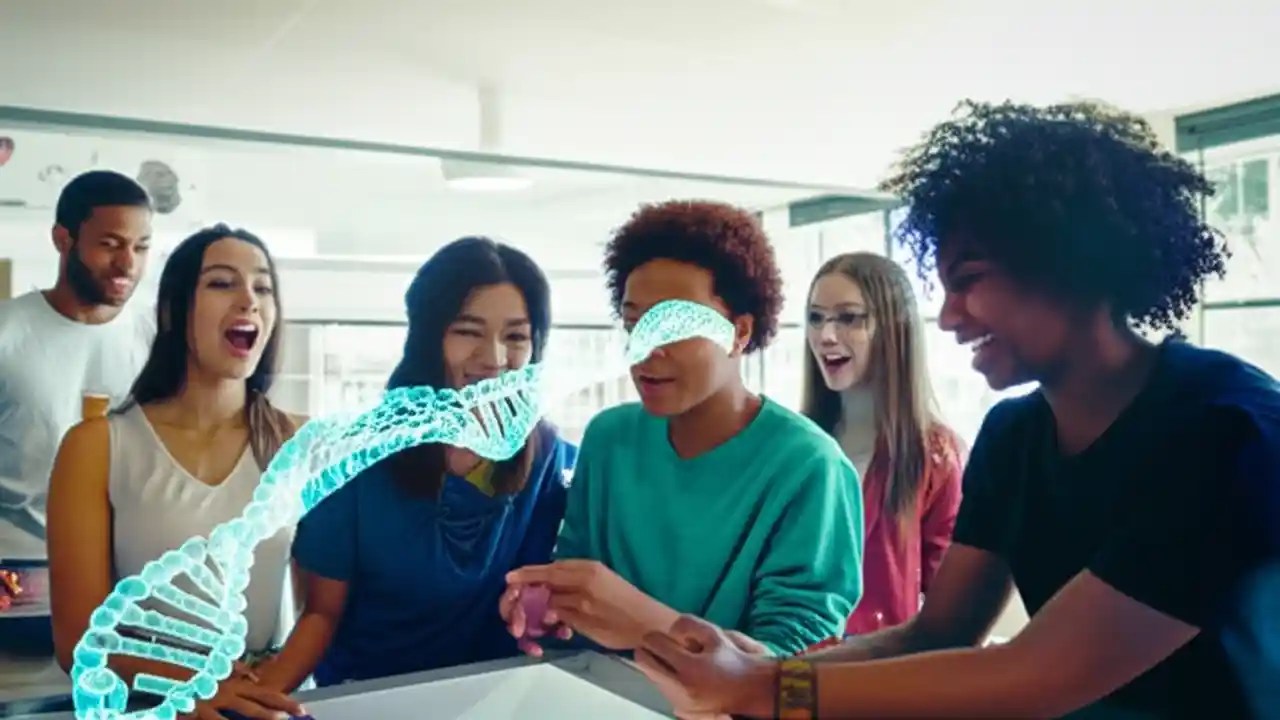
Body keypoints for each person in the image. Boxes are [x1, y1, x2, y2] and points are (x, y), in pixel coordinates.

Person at [634, 101, 1280, 719]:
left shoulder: (1224, 427)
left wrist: (767, 690)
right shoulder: (1016, 433)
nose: (946, 317)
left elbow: (1035, 676)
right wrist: (772, 669)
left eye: (969, 280)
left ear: (1073, 265)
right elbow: (940, 633)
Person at [503, 200, 863, 659]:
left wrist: (645, 623)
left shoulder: (810, 467)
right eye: (635, 324)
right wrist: (544, 606)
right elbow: (575, 588)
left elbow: (789, 669)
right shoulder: (609, 438)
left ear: (739, 332)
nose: (646, 349)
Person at [252, 237, 573, 690]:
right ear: (428, 337)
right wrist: (256, 698)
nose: (495, 359)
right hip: (366, 696)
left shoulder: (549, 457)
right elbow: (321, 615)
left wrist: (543, 614)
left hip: (496, 697)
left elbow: (556, 590)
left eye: (516, 337)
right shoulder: (355, 454)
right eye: (468, 331)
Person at [46, 224, 306, 719]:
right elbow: (79, 638)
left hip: (260, 703)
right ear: (172, 310)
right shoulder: (98, 446)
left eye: (263, 287)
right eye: (222, 282)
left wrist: (264, 689)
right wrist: (194, 687)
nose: (249, 301)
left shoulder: (297, 444)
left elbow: (325, 608)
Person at [0, 170, 154, 689]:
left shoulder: (159, 342)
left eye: (140, 246)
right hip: (16, 576)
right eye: (110, 244)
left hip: (123, 585)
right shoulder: (6, 333)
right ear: (63, 240)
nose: (127, 263)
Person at [801, 252, 965, 641]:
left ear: (893, 328)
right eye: (816, 317)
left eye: (849, 318)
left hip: (877, 679)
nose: (826, 335)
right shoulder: (795, 446)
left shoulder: (936, 455)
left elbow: (955, 613)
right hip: (789, 672)